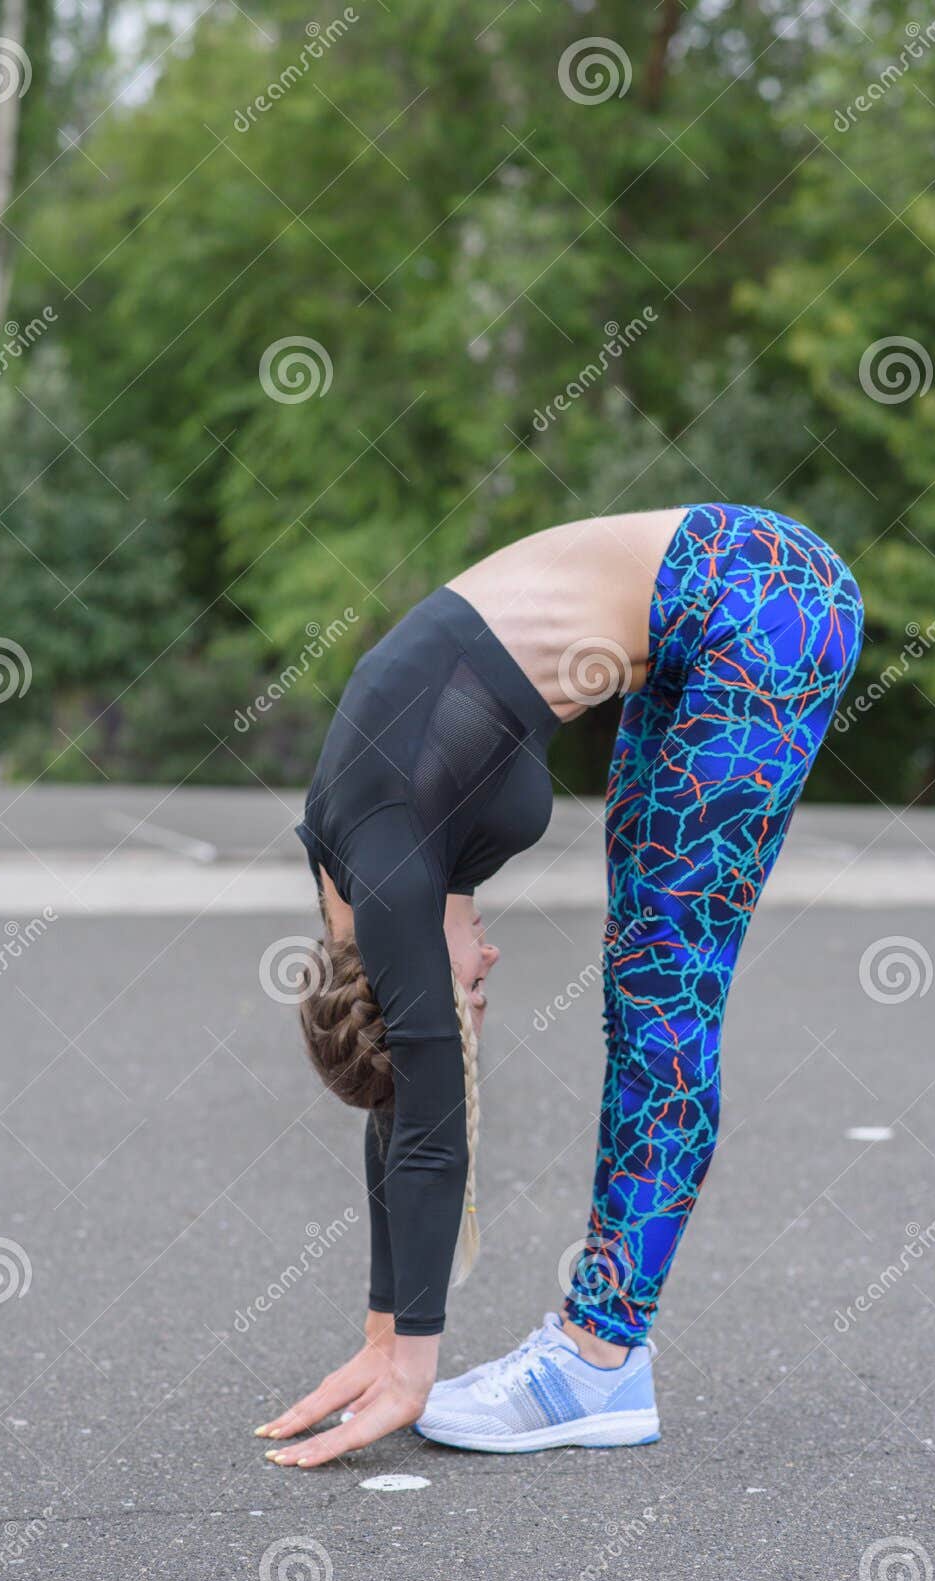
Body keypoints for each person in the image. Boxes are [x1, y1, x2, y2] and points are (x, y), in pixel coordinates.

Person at [254, 504, 863, 1465]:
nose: (487, 973)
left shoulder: (386, 862)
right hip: (715, 612)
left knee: (666, 994)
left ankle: (597, 1362)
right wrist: (381, 1331)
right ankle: (599, 1352)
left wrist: (413, 1369)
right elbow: (401, 1096)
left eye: (469, 1001)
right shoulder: (367, 882)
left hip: (762, 595)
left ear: (394, 966)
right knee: (644, 986)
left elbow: (428, 1112)